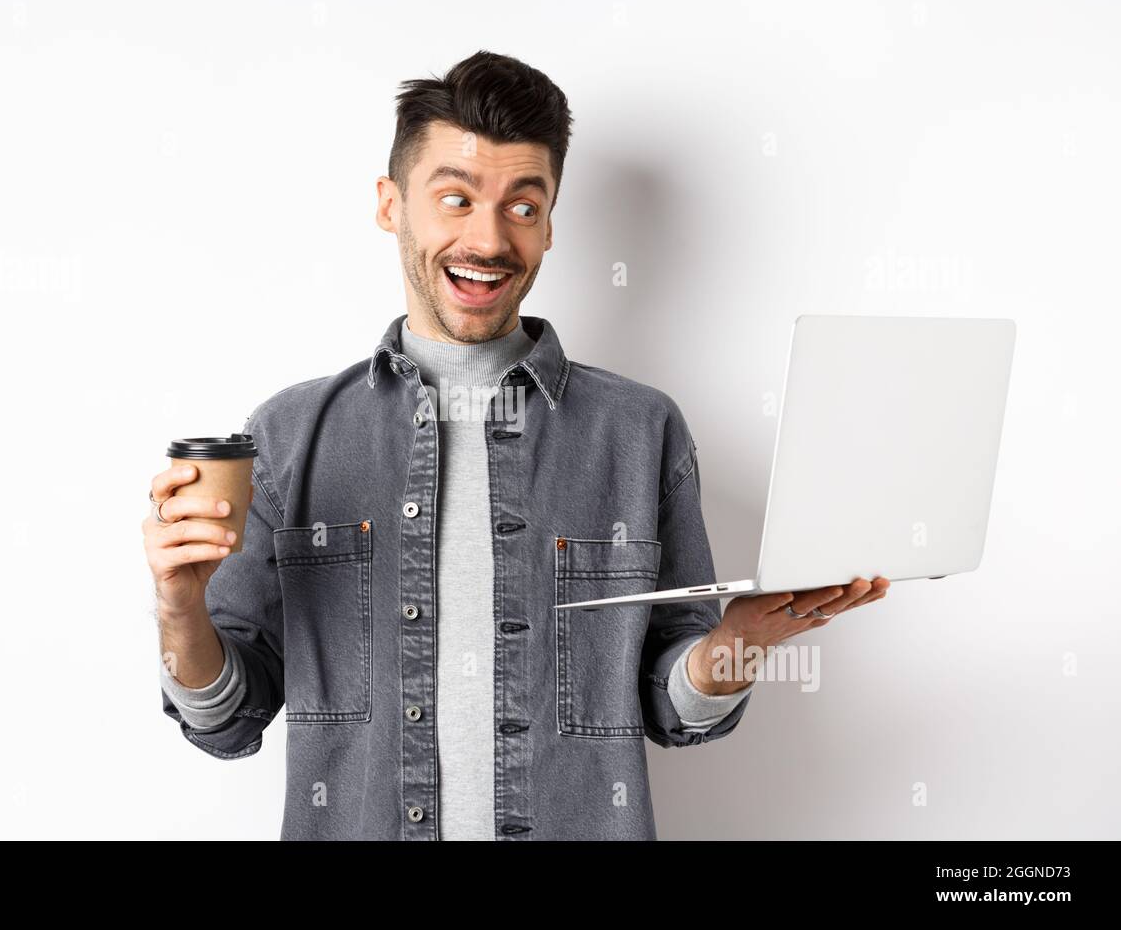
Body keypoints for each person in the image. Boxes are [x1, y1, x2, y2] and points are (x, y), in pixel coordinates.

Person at [141, 49, 889, 840]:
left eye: (522, 208)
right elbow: (229, 722)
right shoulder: (289, 436)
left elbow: (676, 712)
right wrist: (179, 607)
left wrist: (734, 648)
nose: (488, 239)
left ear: (551, 223)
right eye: (456, 199)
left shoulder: (640, 432)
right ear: (391, 205)